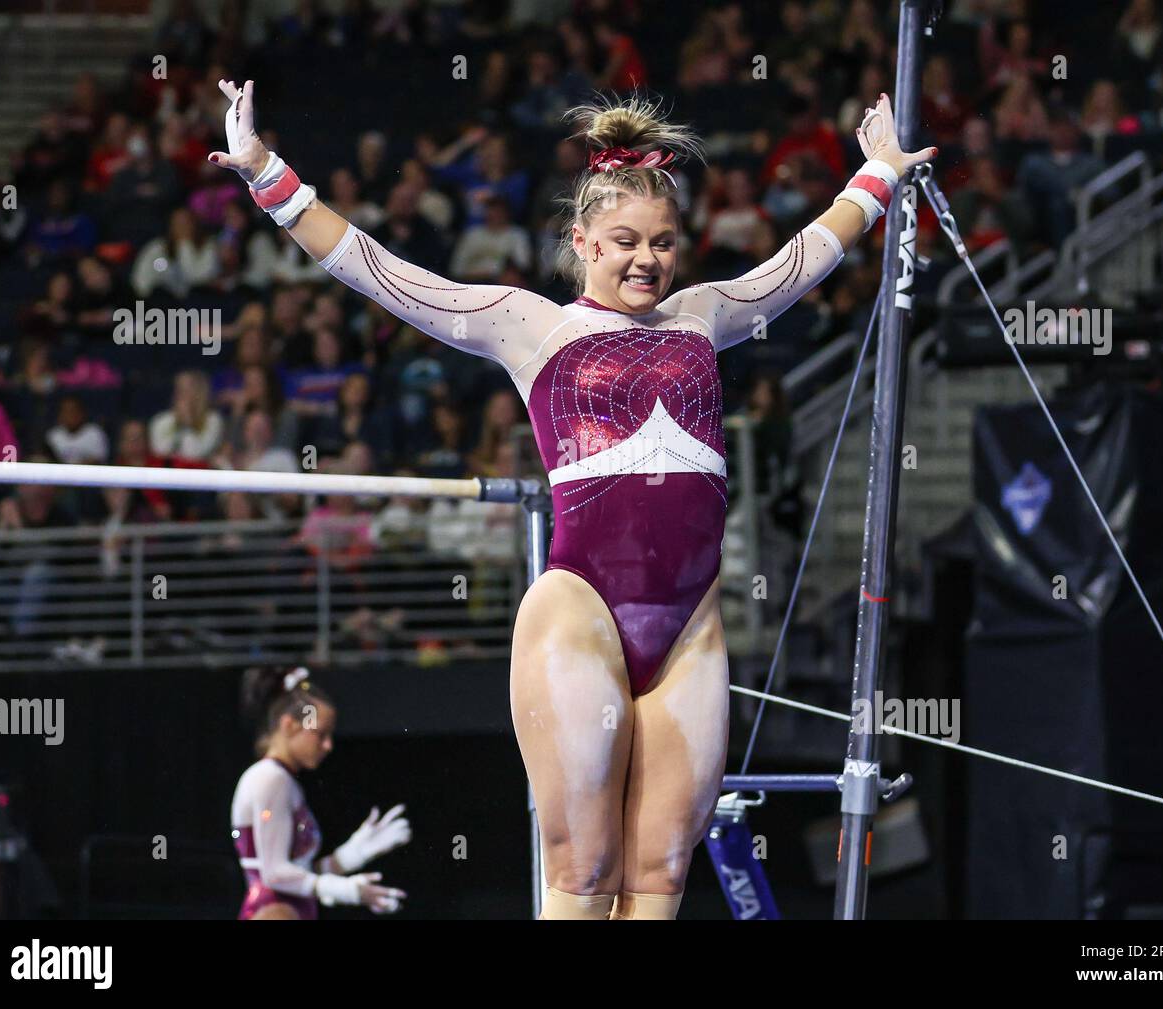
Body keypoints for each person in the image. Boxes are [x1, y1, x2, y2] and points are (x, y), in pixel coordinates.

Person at [209, 79, 933, 920]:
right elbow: (383, 273)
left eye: (663, 242)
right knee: (585, 868)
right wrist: (267, 174)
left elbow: (801, 259)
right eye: (624, 240)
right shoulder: (531, 327)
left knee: (660, 871)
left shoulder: (703, 315)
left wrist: (878, 174)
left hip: (690, 622)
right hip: (580, 606)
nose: (646, 260)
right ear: (583, 241)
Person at [231, 666, 410, 919]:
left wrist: (350, 856)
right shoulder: (269, 779)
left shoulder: (284, 781)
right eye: (320, 734)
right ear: (290, 725)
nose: (328, 745)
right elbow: (274, 873)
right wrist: (346, 890)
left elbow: (298, 872)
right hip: (274, 912)